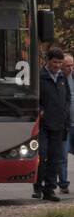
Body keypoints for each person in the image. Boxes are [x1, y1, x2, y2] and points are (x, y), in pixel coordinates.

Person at [34, 48, 70, 202]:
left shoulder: (62, 77)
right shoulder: (39, 77)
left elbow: (67, 97)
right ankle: (38, 187)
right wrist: (41, 111)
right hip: (43, 125)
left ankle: (50, 190)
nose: (57, 65)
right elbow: (34, 99)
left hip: (59, 124)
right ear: (47, 61)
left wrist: (65, 113)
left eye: (60, 62)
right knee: (42, 157)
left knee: (55, 158)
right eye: (55, 62)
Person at [64, 53, 74, 194]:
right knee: (62, 155)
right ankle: (63, 184)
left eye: (72, 65)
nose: (71, 68)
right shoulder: (59, 79)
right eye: (68, 66)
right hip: (65, 125)